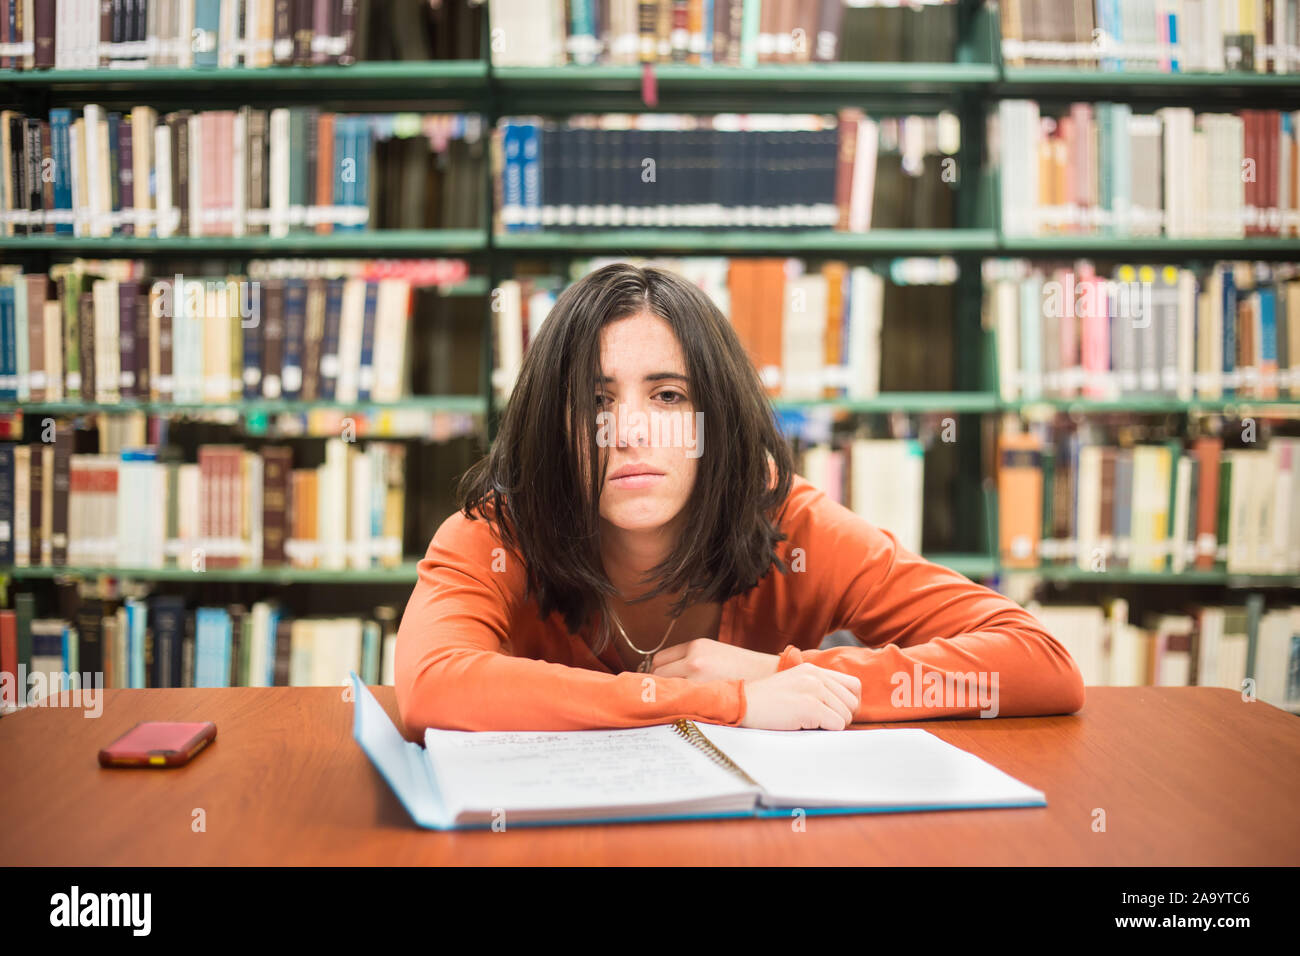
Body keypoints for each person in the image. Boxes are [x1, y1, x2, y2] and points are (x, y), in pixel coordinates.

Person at [394, 262, 1085, 732]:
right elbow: (432, 687)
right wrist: (730, 702)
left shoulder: (793, 526)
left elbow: (1040, 666)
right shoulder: (494, 534)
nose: (630, 432)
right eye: (593, 401)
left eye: (669, 396)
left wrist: (793, 678)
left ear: (716, 419)